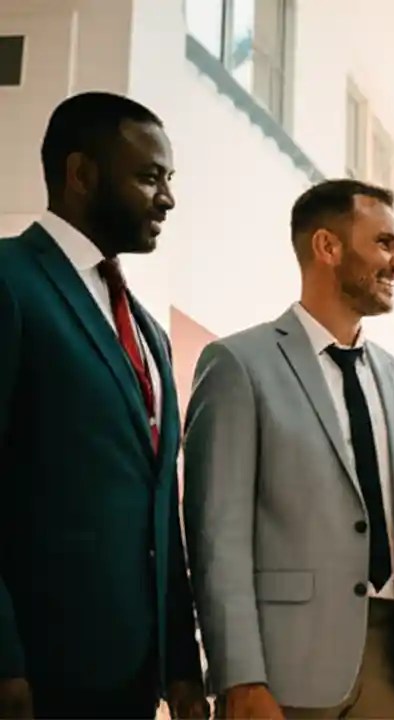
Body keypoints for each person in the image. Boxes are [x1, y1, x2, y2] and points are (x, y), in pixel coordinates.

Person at [182, 179, 394, 720]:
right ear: (327, 247)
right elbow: (218, 538)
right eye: (384, 242)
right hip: (281, 666)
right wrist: (240, 675)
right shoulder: (239, 365)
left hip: (392, 666)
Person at [0, 92, 206, 720]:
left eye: (169, 179)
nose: (167, 199)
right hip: (34, 671)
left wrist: (180, 663)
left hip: (134, 679)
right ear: (81, 174)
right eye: (149, 177)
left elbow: (158, 503)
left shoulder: (149, 332)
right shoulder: (9, 281)